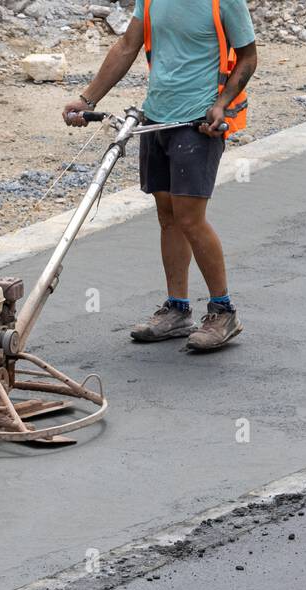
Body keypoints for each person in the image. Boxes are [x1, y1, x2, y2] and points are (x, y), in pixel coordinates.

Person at [62, 0, 257, 351]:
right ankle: (178, 309)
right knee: (167, 217)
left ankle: (223, 311)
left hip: (197, 122)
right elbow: (126, 46)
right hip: (156, 118)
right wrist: (87, 98)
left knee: (190, 219)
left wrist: (222, 104)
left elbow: (248, 56)